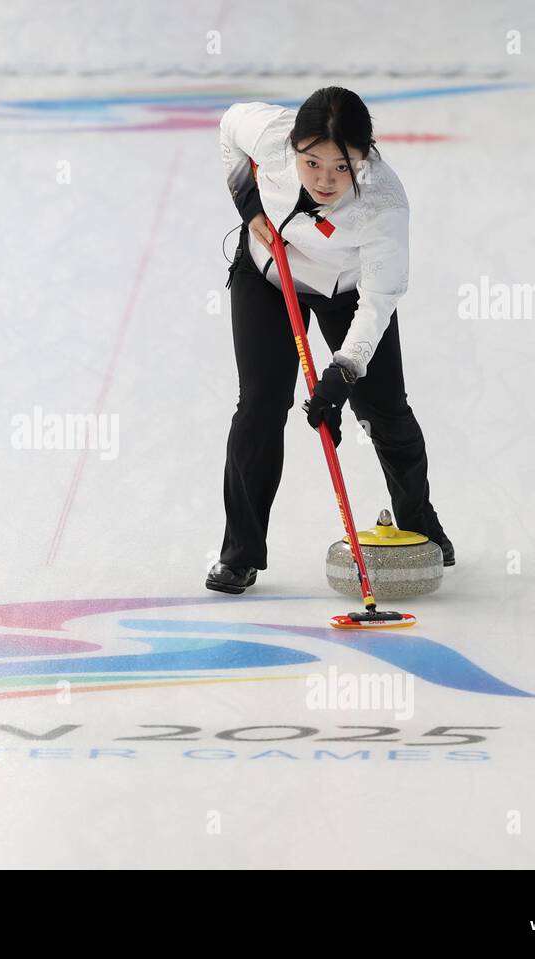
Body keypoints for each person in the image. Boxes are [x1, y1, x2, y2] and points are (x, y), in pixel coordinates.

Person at [208, 86, 452, 595]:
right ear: (292, 147)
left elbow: (382, 295)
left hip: (348, 293)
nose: (324, 179)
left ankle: (421, 526)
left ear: (365, 158)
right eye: (311, 161)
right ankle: (240, 554)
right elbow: (230, 125)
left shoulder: (383, 201)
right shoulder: (272, 136)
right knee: (259, 407)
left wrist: (342, 371)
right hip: (268, 278)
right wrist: (247, 202)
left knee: (384, 411)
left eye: (342, 166)